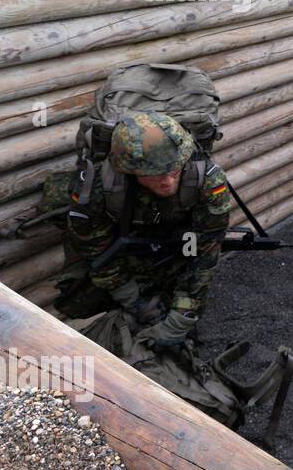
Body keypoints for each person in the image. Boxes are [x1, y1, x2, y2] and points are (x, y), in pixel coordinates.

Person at [51, 111, 232, 352]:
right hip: (123, 252)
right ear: (129, 172)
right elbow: (98, 255)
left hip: (178, 247)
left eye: (174, 171)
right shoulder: (97, 188)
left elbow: (205, 253)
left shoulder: (207, 180)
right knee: (90, 300)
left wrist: (182, 317)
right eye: (154, 176)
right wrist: (138, 304)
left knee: (179, 311)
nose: (167, 182)